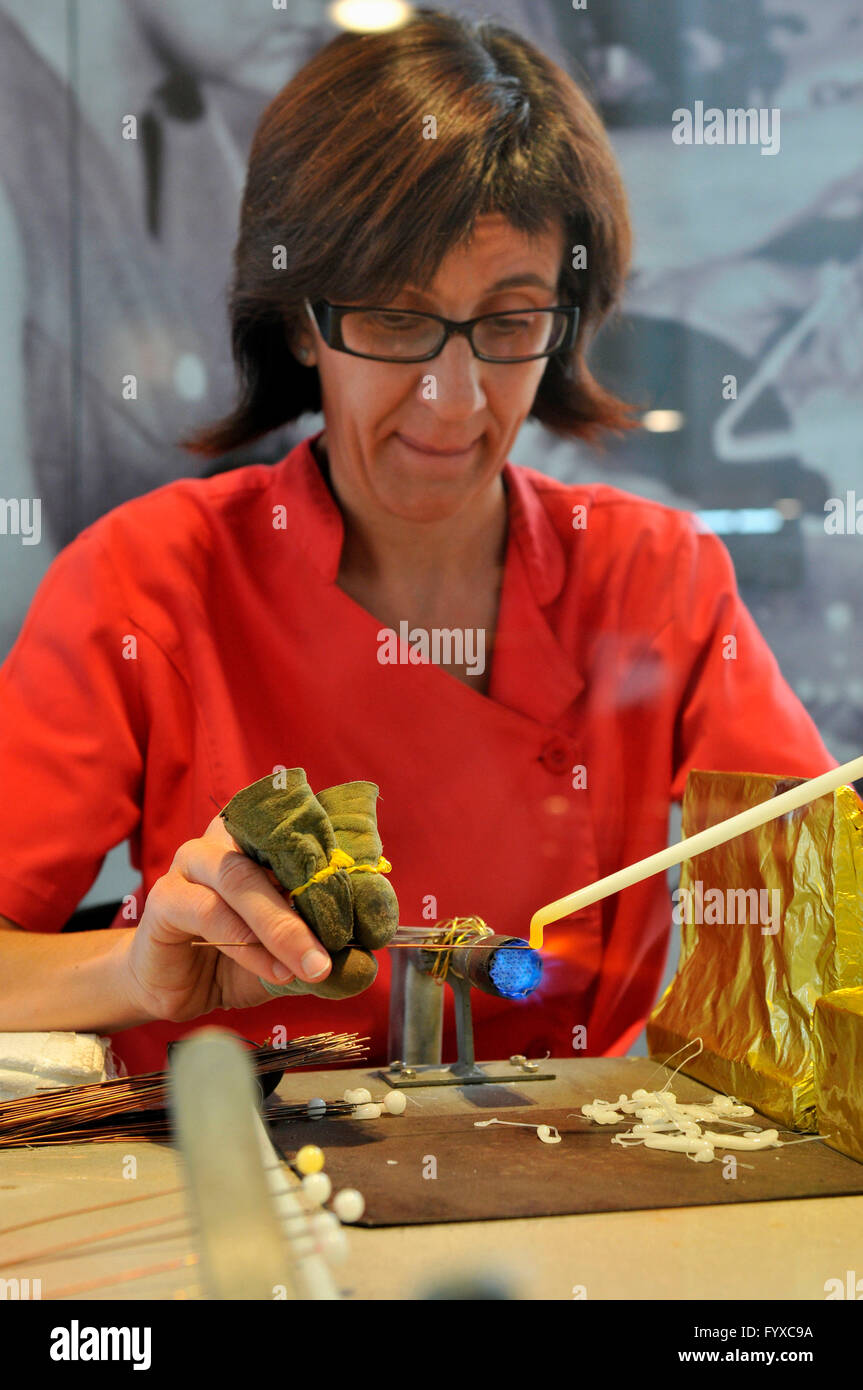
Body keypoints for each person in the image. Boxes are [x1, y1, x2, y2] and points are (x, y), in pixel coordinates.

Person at [0, 10, 836, 1076]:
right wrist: (133, 974)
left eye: (508, 320)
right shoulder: (148, 582)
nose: (453, 399)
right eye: (395, 319)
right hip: (236, 1180)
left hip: (589, 1174)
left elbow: (809, 894)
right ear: (302, 321)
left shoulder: (652, 574)